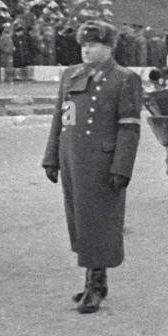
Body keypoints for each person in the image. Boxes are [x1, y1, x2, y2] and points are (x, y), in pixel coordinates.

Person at [42, 20, 143, 314]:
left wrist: (122, 167)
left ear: (108, 48)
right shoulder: (71, 76)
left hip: (102, 163)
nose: (87, 50)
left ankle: (96, 285)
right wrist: (52, 157)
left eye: (93, 45)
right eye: (84, 45)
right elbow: (63, 120)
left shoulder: (124, 79)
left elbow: (129, 128)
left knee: (99, 224)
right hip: (72, 159)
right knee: (80, 223)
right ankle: (92, 279)